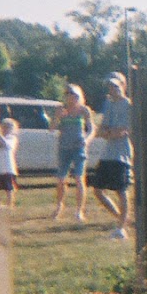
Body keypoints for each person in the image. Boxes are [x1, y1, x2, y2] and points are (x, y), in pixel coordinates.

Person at [89, 73, 133, 238]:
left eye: (116, 86)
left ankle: (121, 227)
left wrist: (110, 132)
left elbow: (123, 131)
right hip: (108, 153)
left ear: (123, 85)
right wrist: (108, 132)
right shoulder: (108, 104)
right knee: (98, 190)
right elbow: (101, 130)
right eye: (110, 86)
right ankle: (122, 219)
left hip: (121, 154)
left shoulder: (128, 105)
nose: (112, 89)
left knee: (121, 190)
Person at [53, 84, 94, 222]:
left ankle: (79, 210)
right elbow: (52, 129)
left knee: (78, 178)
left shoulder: (84, 110)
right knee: (61, 179)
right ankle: (59, 206)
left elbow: (91, 129)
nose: (71, 97)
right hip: (64, 147)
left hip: (78, 147)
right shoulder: (61, 109)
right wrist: (57, 118)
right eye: (68, 94)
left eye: (74, 95)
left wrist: (86, 140)